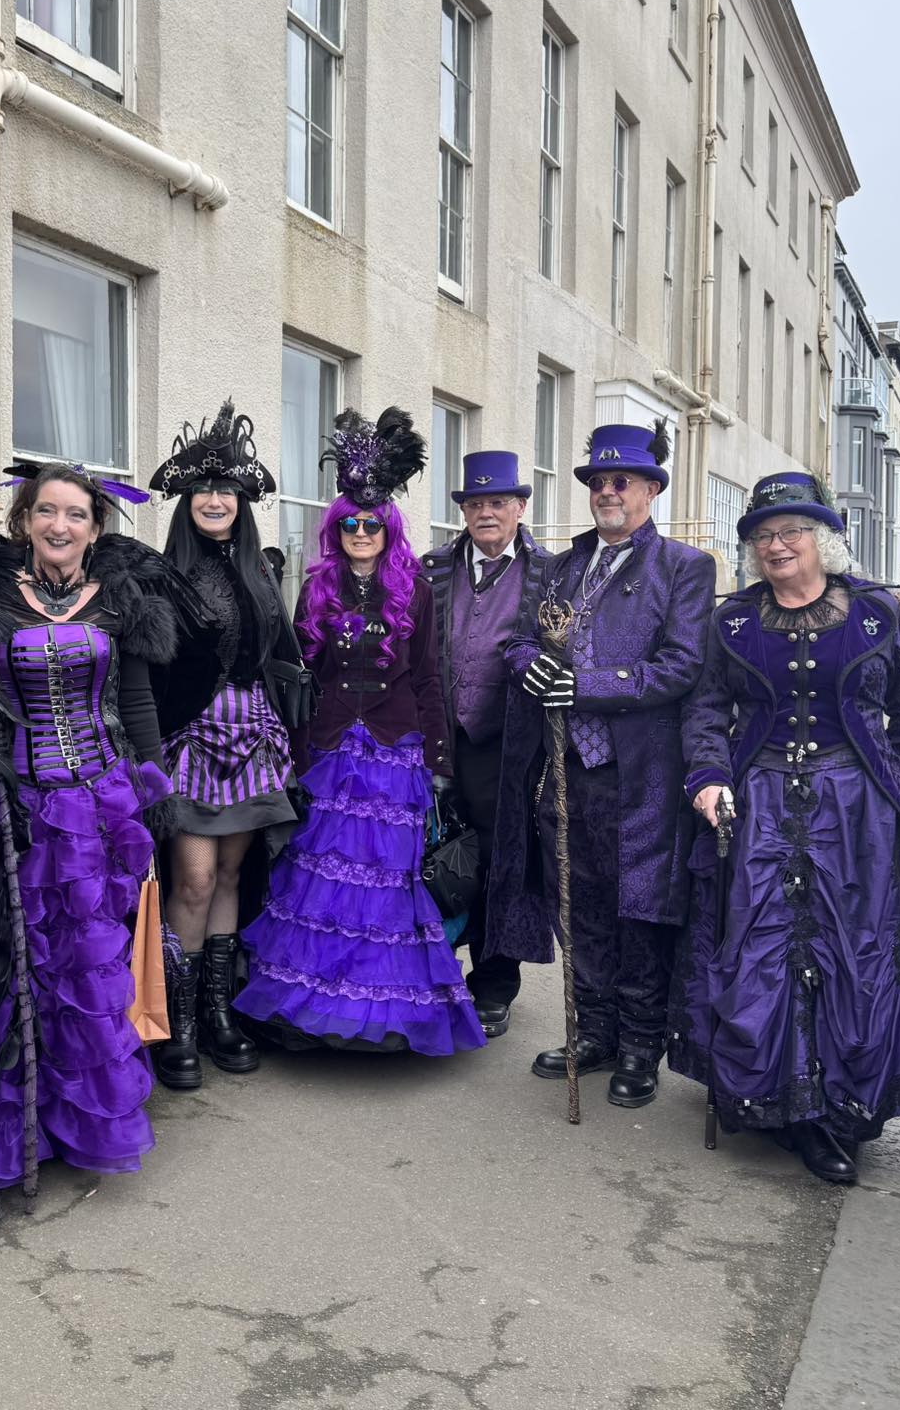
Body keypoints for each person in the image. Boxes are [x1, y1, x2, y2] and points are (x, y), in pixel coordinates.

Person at [668, 473, 900, 1183]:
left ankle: (842, 1106)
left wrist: (885, 783)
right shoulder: (731, 622)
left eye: (790, 532)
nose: (775, 546)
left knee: (853, 949)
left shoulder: (878, 615)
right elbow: (705, 709)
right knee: (764, 945)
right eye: (763, 536)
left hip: (855, 810)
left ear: (822, 541)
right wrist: (708, 776)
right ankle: (781, 1102)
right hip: (761, 800)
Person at [0, 461, 198, 1191]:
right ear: (23, 521)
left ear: (96, 526)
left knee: (84, 972)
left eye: (76, 514)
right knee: (11, 968)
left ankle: (76, 1121)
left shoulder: (118, 602)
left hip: (96, 807)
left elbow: (138, 702)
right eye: (46, 511)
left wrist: (154, 789)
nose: (60, 526)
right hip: (12, 804)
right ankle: (14, 1122)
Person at [234, 408, 486, 1054]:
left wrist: (439, 763)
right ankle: (315, 1014)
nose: (362, 533)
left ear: (389, 527)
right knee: (324, 881)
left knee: (385, 887)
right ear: (336, 526)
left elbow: (429, 678)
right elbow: (301, 676)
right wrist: (294, 753)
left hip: (394, 756)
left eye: (373, 523)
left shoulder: (416, 590)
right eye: (350, 522)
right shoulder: (317, 587)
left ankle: (380, 1019)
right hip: (329, 751)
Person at [510, 421, 715, 1107]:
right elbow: (519, 639)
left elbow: (682, 666)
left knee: (640, 910)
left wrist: (590, 686)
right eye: (598, 483)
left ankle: (638, 1047)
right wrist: (533, 667)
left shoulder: (684, 569)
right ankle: (590, 1030)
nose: (606, 493)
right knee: (581, 903)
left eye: (619, 481)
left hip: (643, 776)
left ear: (651, 490)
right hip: (568, 771)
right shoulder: (563, 565)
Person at [147, 400, 302, 1089]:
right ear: (186, 502)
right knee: (195, 878)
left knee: (234, 878)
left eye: (227, 491)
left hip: (253, 736)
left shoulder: (262, 572)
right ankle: (177, 1023)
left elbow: (282, 654)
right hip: (189, 739)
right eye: (203, 491)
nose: (215, 499)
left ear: (242, 503)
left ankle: (217, 1012)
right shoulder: (159, 574)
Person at [419, 452, 558, 1038]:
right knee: (432, 858)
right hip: (436, 736)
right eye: (475, 504)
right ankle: (433, 970)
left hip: (505, 744)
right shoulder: (433, 568)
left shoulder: (550, 574)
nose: (486, 513)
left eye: (497, 502)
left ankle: (495, 984)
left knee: (503, 862)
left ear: (520, 508)